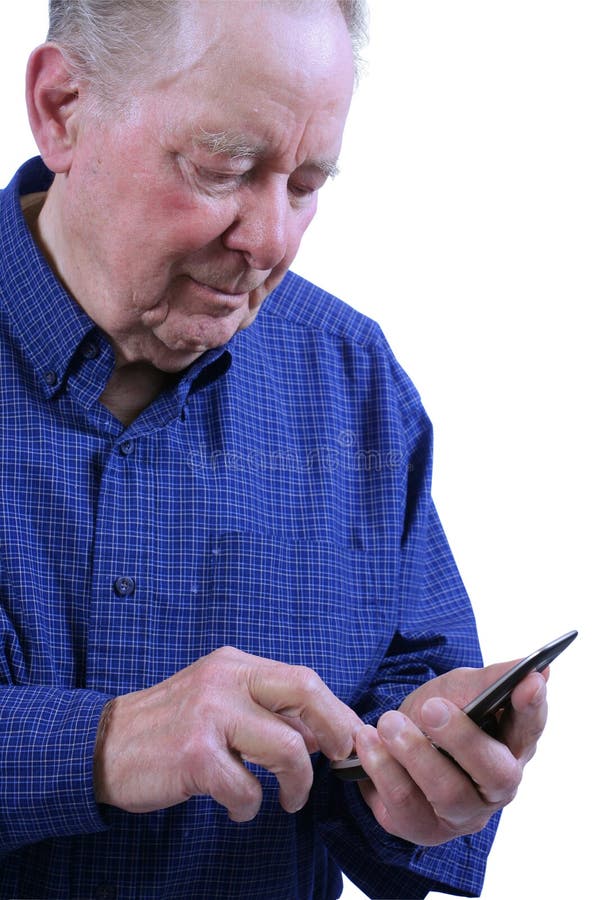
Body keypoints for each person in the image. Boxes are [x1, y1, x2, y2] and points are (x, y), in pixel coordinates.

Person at [0, 1, 549, 898]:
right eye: (224, 169)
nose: (271, 242)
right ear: (63, 107)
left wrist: (418, 782)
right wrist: (103, 745)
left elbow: (406, 696)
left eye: (305, 185)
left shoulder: (355, 377)